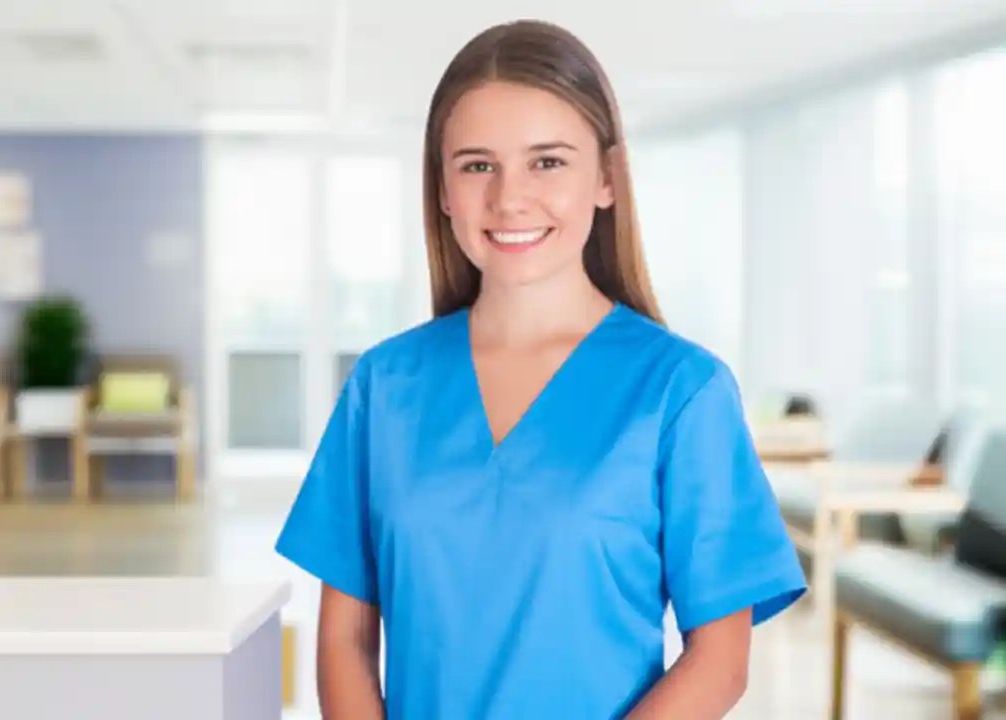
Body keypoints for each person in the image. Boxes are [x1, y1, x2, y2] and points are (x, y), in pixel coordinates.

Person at [275, 18, 806, 720]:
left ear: (608, 179)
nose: (509, 197)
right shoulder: (383, 388)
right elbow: (343, 641)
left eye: (547, 162)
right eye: (477, 165)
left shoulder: (681, 392)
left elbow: (721, 661)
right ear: (442, 189)